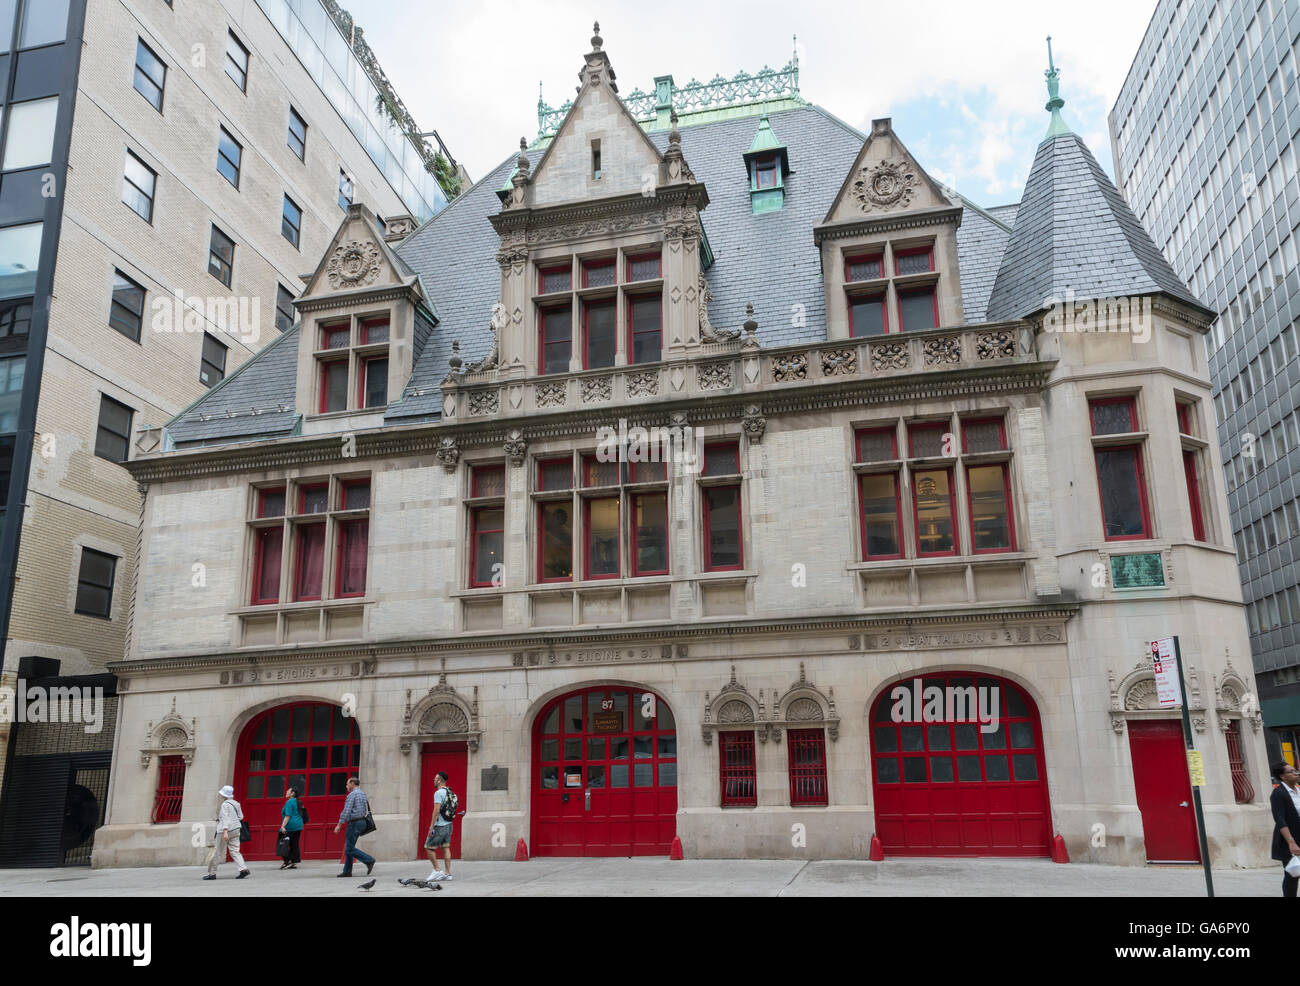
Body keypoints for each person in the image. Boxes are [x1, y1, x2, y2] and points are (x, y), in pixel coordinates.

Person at [203, 784, 249, 881]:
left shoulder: (224, 805)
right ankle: (243, 869)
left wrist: (225, 831)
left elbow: (225, 818)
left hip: (225, 830)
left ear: (224, 795)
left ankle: (212, 873)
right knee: (235, 851)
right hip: (236, 828)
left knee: (217, 851)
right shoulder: (237, 803)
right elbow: (241, 817)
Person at [334, 776, 374, 877]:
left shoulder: (352, 795)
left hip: (354, 823)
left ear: (352, 783)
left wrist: (339, 824)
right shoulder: (362, 793)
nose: (346, 786)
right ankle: (347, 871)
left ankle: (369, 860)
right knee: (350, 846)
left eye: (347, 784)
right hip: (362, 822)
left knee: (349, 848)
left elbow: (347, 811)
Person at [1270, 761, 1300, 896]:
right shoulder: (1278, 794)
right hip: (1290, 840)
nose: (1296, 773)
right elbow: (1280, 819)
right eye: (1291, 772)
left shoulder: (1298, 790)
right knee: (1293, 875)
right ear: (1283, 777)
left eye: (1295, 771)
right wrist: (1291, 842)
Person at [424, 770, 455, 882]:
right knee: (446, 847)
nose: (434, 780)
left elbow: (436, 810)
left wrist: (431, 827)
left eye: (435, 778)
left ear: (439, 780)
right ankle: (447, 874)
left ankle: (437, 870)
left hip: (440, 825)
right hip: (449, 825)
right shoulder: (450, 792)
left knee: (428, 847)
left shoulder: (438, 793)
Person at [279, 786, 304, 869]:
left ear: (292, 793)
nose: (286, 792)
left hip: (290, 826)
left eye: (288, 791)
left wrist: (283, 826)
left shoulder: (289, 802)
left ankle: (287, 861)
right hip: (298, 825)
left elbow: (288, 815)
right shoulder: (298, 801)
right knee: (294, 844)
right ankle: (293, 862)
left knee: (282, 843)